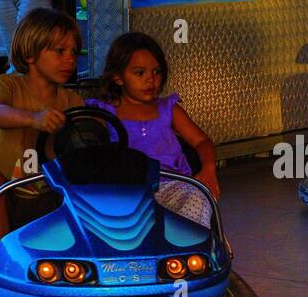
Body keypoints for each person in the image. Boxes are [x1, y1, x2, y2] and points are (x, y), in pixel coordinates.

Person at [0, 8, 82, 249]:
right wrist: (34, 119)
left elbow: (85, 141)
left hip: (49, 192)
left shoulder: (72, 101)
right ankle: (1, 255)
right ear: (30, 55)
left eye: (73, 52)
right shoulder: (8, 85)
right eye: (60, 51)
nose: (70, 59)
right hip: (6, 190)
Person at [85, 32, 219, 227]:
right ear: (118, 77)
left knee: (198, 198)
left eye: (156, 72)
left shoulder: (169, 108)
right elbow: (91, 153)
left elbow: (202, 141)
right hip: (128, 191)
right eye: (140, 73)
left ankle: (189, 251)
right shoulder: (103, 111)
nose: (150, 80)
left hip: (174, 186)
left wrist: (209, 169)